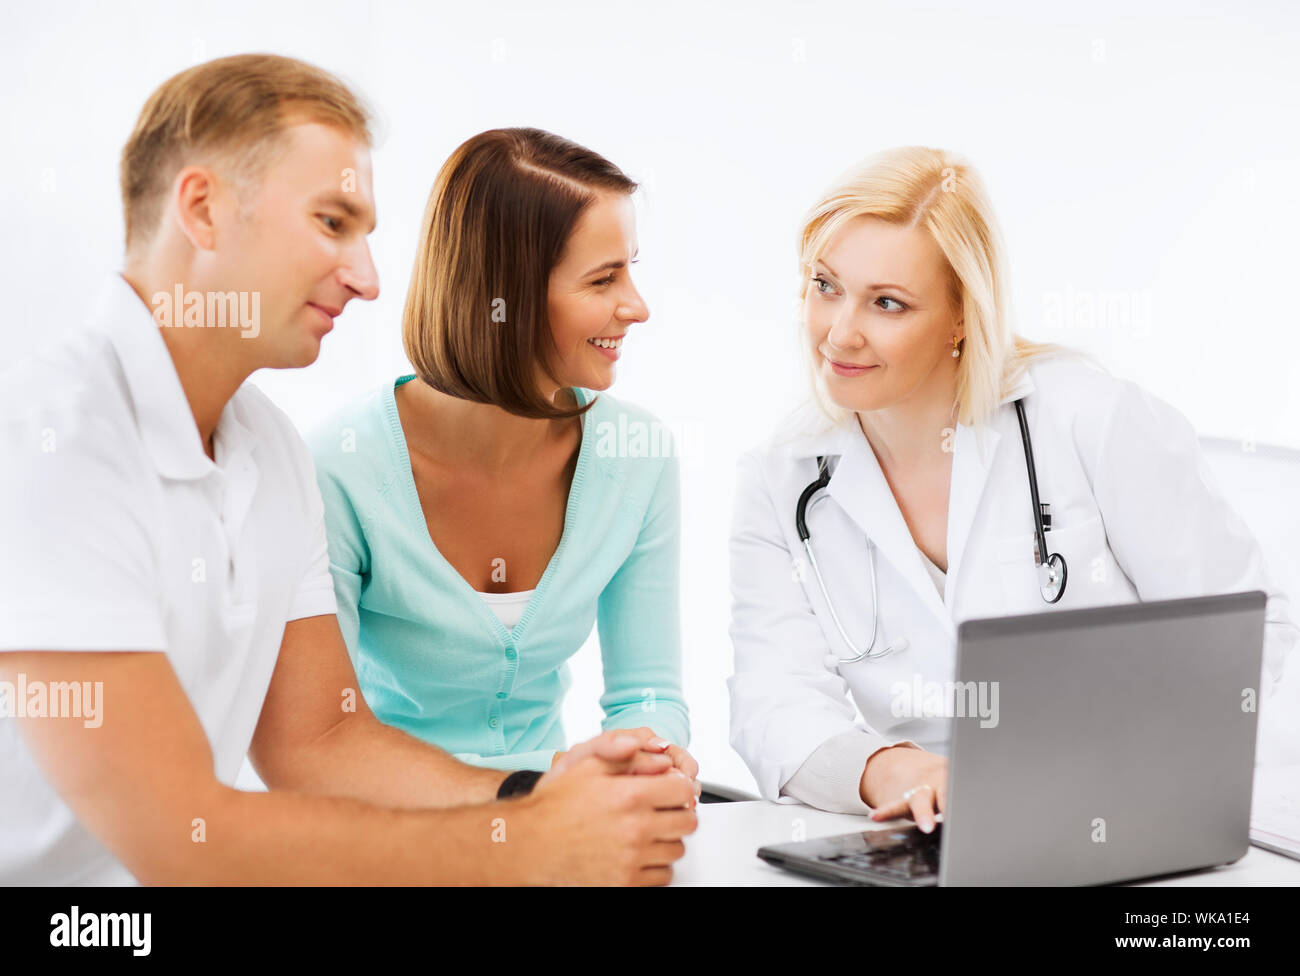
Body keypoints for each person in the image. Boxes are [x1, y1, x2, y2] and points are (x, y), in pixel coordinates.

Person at [0, 54, 696, 886]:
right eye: (333, 223)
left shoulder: (270, 451)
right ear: (204, 209)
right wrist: (534, 847)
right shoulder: (49, 441)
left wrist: (535, 794)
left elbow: (318, 743)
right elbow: (180, 837)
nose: (369, 279)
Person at [727, 145, 1299, 831]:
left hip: (1127, 810)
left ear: (962, 316)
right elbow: (774, 702)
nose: (839, 332)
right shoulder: (780, 479)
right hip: (931, 830)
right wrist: (896, 771)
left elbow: (1247, 631)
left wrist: (1147, 777)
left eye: (887, 303)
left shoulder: (1086, 417)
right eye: (825, 286)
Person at [307, 127, 696, 778]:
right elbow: (324, 740)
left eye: (632, 269)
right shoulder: (339, 468)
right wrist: (521, 804)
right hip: (390, 826)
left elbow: (647, 694)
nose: (637, 306)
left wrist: (645, 763)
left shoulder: (638, 455)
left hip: (561, 812)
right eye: (603, 279)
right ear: (504, 300)